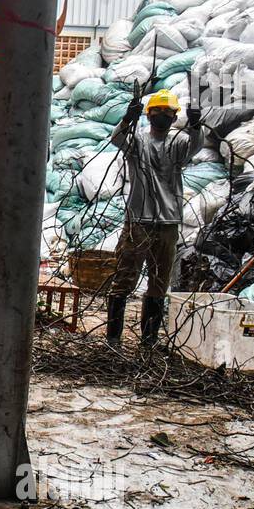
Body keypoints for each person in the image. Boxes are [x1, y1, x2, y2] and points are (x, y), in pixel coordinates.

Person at [106, 88, 202, 348]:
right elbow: (117, 139)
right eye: (157, 111)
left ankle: (149, 341)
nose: (162, 115)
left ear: (174, 117)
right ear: (148, 116)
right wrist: (127, 118)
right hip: (139, 221)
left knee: (159, 282)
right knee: (124, 278)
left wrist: (196, 124)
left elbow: (195, 145)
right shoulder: (137, 142)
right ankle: (113, 339)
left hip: (168, 223)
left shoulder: (178, 144)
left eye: (167, 112)